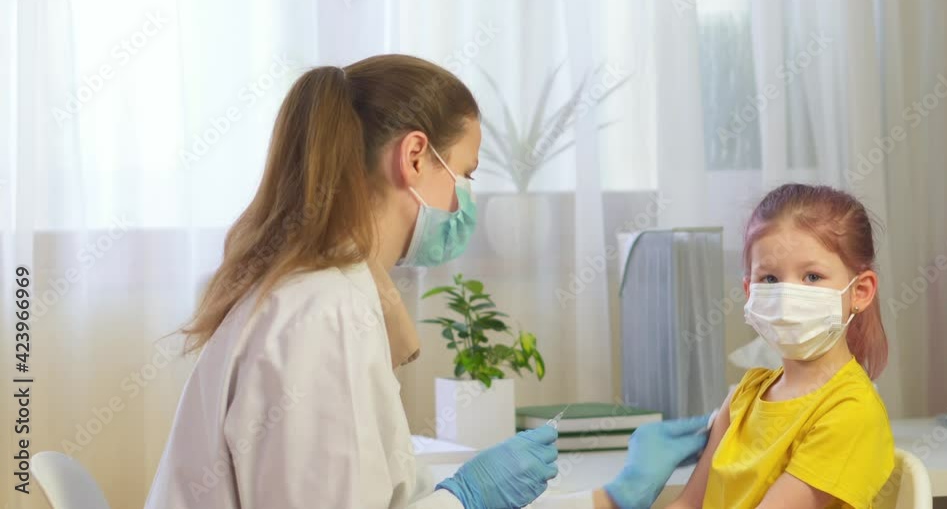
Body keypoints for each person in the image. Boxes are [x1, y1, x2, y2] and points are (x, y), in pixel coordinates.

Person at [145, 54, 709, 509]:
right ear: (415, 156)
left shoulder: (322, 293)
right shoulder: (324, 312)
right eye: (464, 173)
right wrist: (468, 498)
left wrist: (604, 499)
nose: (464, 200)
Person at [667, 184, 895, 508]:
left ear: (860, 291)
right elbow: (688, 504)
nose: (787, 297)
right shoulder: (741, 400)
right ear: (749, 291)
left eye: (812, 276)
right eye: (770, 279)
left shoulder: (850, 411)